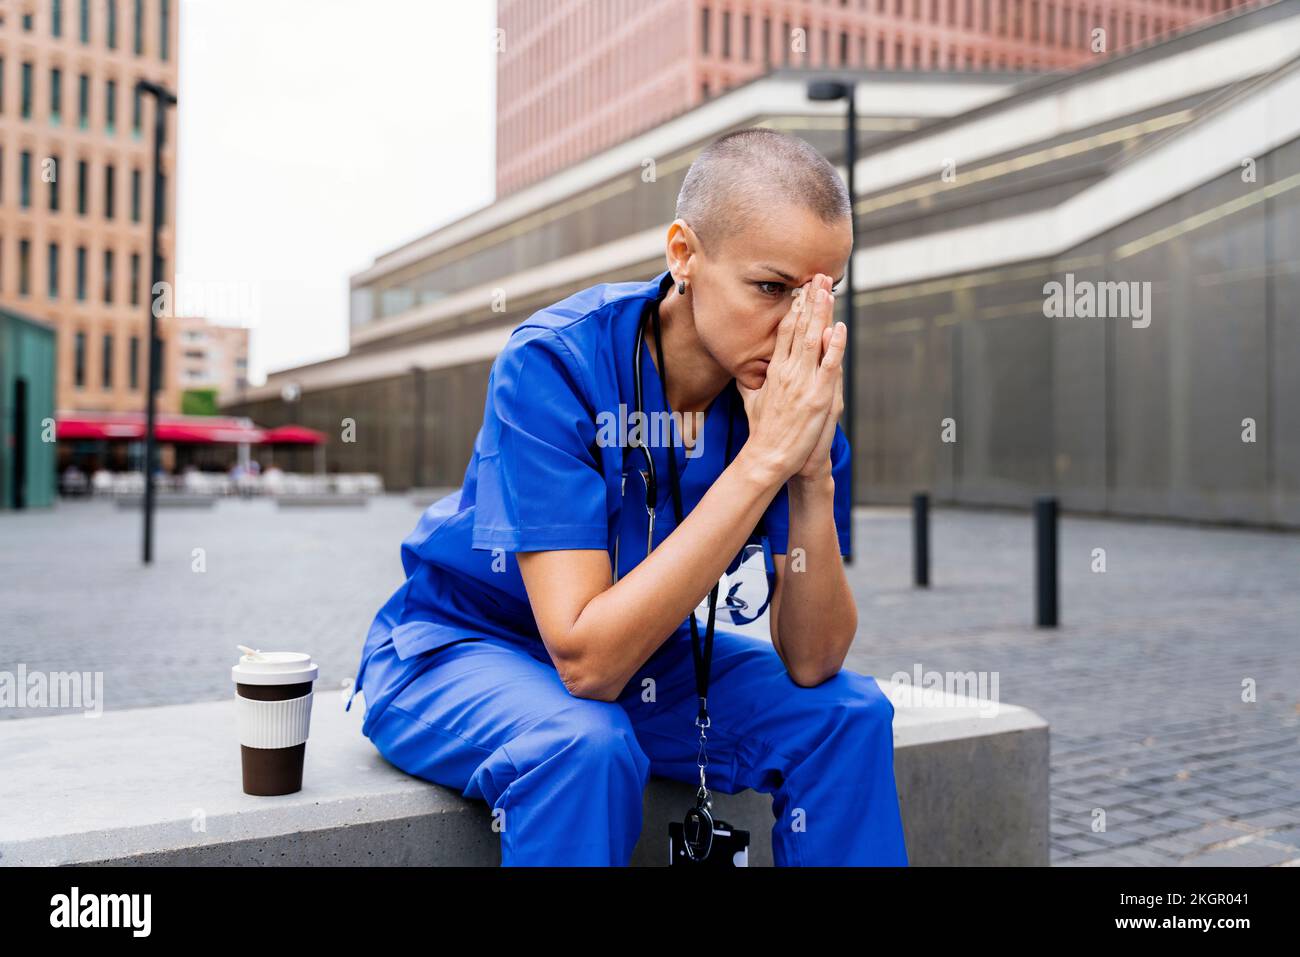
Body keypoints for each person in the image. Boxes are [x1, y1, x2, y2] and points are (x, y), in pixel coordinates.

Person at [348, 128, 908, 867]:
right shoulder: (555, 362)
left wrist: (806, 474)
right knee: (582, 744)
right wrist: (760, 463)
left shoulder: (786, 399)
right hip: (462, 647)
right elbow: (586, 661)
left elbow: (813, 660)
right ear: (684, 254)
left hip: (643, 657)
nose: (797, 326)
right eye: (771, 288)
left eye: (821, 294)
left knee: (848, 714)